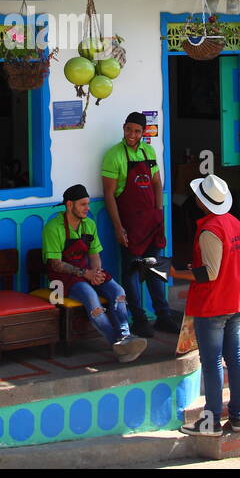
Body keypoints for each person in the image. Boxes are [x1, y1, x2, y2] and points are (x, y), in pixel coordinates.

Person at [170, 173, 240, 435]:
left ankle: (211, 420)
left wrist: (175, 273)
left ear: (202, 202)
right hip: (236, 300)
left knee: (212, 361)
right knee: (235, 359)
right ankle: (236, 417)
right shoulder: (234, 224)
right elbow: (225, 264)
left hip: (213, 305)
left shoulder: (209, 230)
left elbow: (209, 274)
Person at [44, 184, 148, 363]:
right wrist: (85, 274)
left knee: (118, 292)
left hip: (89, 272)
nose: (87, 208)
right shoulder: (53, 227)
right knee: (92, 299)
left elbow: (94, 254)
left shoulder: (89, 224)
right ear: (69, 205)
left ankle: (125, 337)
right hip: (64, 279)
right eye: (83, 204)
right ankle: (117, 343)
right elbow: (56, 264)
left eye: (88, 204)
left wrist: (97, 272)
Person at [101, 112, 180, 339]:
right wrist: (118, 227)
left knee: (155, 269)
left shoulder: (149, 152)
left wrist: (159, 216)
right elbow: (109, 195)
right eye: (129, 130)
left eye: (137, 131)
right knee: (132, 272)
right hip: (130, 224)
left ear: (143, 133)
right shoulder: (113, 156)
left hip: (152, 222)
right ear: (123, 128)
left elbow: (157, 184)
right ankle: (139, 319)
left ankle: (163, 316)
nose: (132, 135)